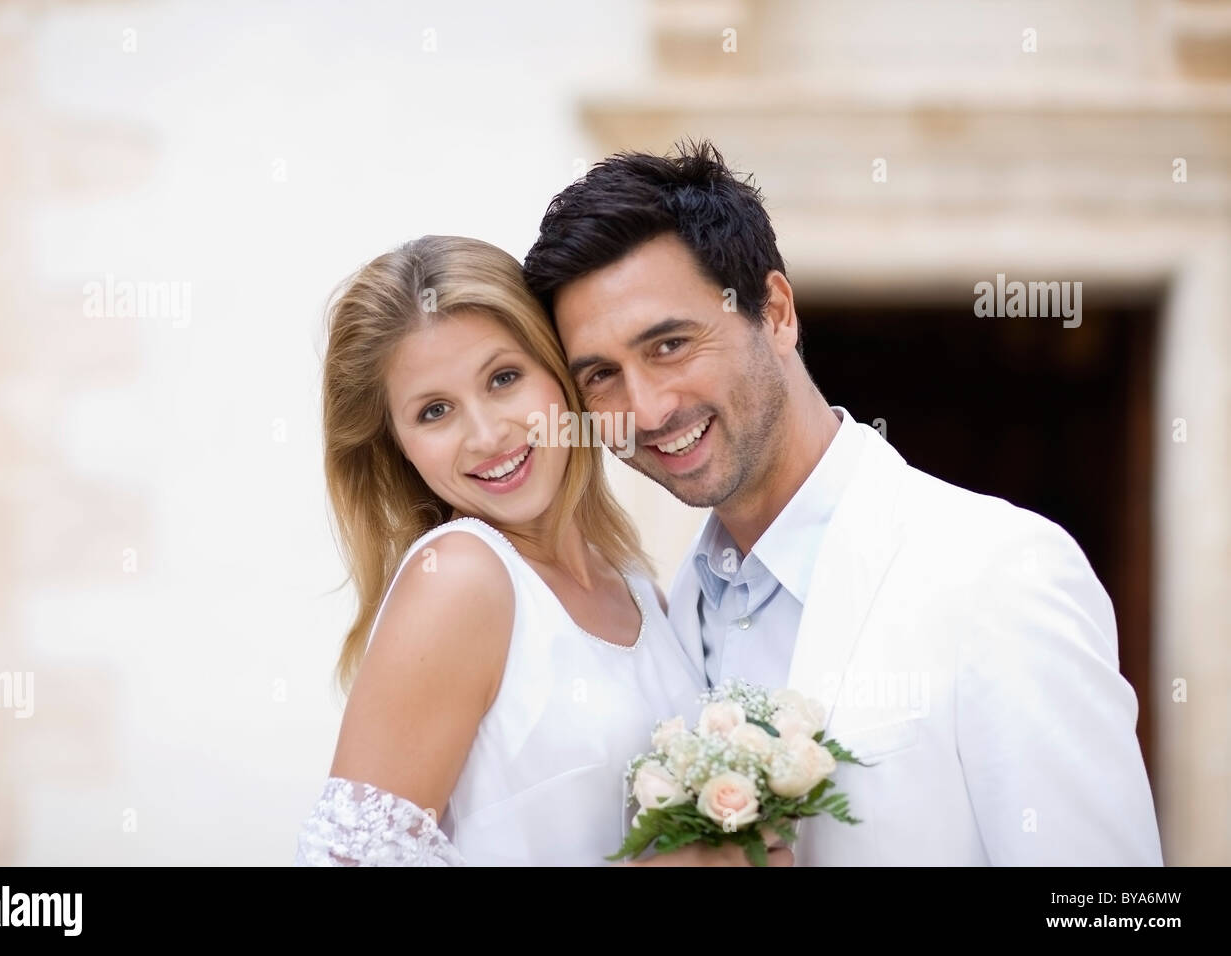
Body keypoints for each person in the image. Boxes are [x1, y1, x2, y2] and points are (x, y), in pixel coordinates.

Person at [522, 140, 1164, 865]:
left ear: (777, 311)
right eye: (601, 375)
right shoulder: (667, 616)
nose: (646, 408)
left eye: (670, 344)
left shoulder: (1000, 572)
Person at [294, 235, 790, 866]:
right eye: (434, 411)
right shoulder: (461, 576)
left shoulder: (637, 585)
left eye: (504, 378)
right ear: (399, 447)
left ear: (561, 376)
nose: (487, 433)